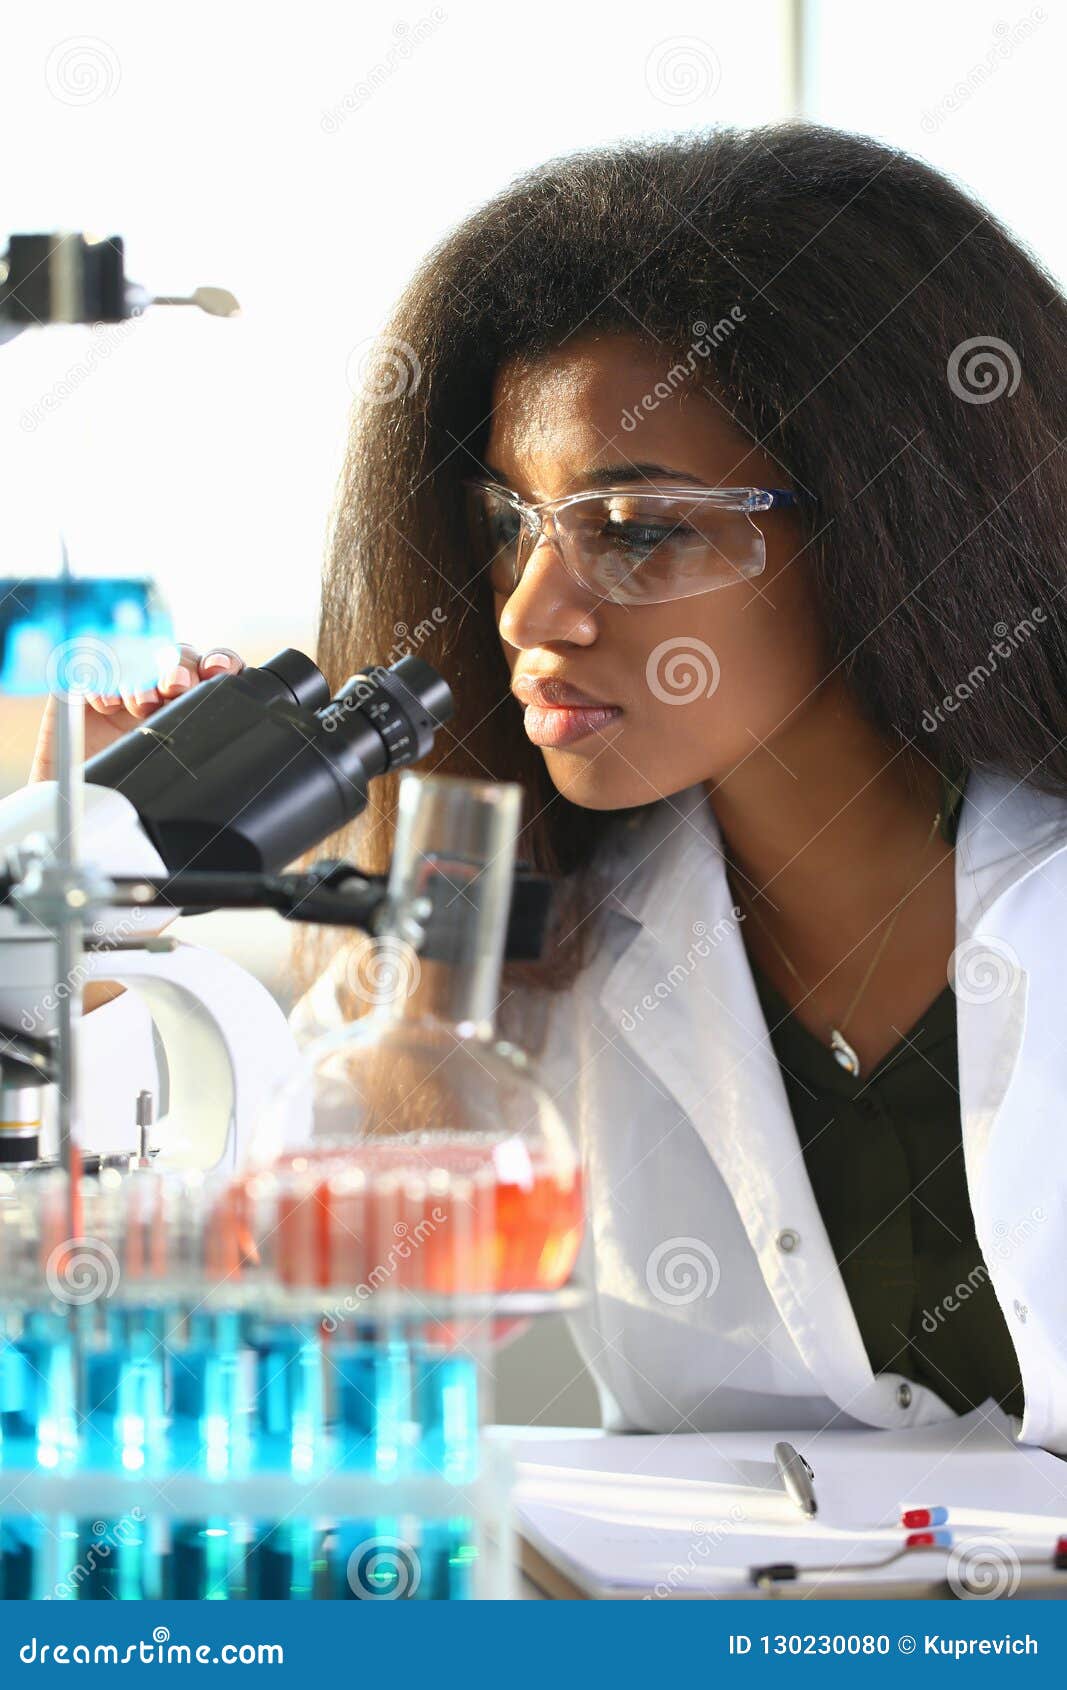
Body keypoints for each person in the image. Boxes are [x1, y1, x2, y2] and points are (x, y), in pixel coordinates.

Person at [34, 124, 1067, 1446]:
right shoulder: (509, 935)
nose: (533, 609)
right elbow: (301, 1338)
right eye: (508, 527)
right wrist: (116, 890)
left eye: (636, 531)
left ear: (894, 517)